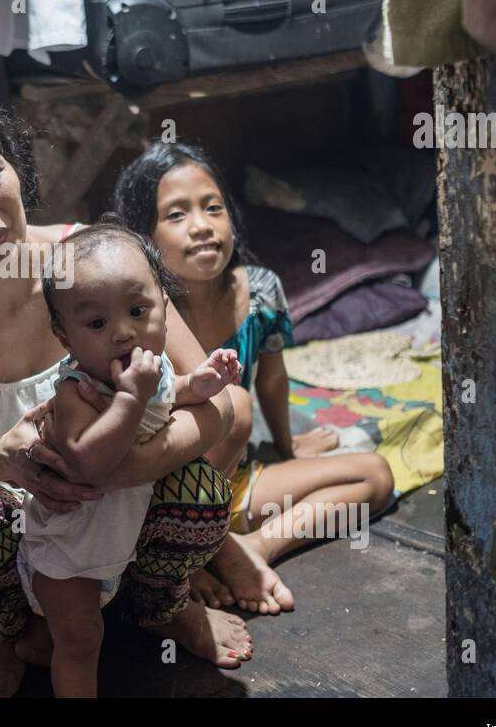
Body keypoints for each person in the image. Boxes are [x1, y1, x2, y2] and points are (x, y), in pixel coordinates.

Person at [0, 75, 254, 697]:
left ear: (17, 168)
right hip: (26, 548)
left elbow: (222, 407)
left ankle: (158, 607)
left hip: (125, 514)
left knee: (200, 491)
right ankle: (13, 632)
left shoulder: (99, 265)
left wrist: (128, 463)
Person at [114, 142, 395, 615]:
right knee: (232, 404)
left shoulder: (262, 289)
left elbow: (273, 379)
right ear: (145, 236)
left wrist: (288, 447)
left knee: (375, 477)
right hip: (158, 498)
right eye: (176, 215)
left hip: (234, 482)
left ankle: (252, 548)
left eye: (213, 208)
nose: (202, 226)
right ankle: (184, 552)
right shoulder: (141, 313)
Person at [22, 223, 246, 696]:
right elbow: (88, 461)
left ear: (164, 307)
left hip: (123, 542)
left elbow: (171, 395)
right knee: (81, 644)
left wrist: (201, 384)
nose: (123, 332)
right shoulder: (76, 392)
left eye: (137, 310)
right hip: (69, 555)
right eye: (97, 324)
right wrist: (128, 399)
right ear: (64, 335)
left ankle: (157, 611)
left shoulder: (154, 368)